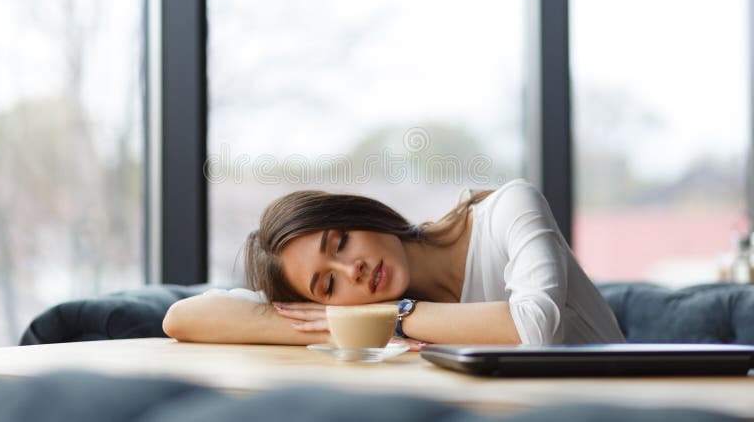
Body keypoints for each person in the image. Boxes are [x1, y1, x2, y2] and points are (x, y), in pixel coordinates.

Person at [162, 178, 625, 346]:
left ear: (360, 214)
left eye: (340, 242)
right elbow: (183, 318)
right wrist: (343, 321)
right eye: (326, 287)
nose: (352, 271)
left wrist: (386, 319)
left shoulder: (508, 210)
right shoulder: (373, 314)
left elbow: (535, 329)